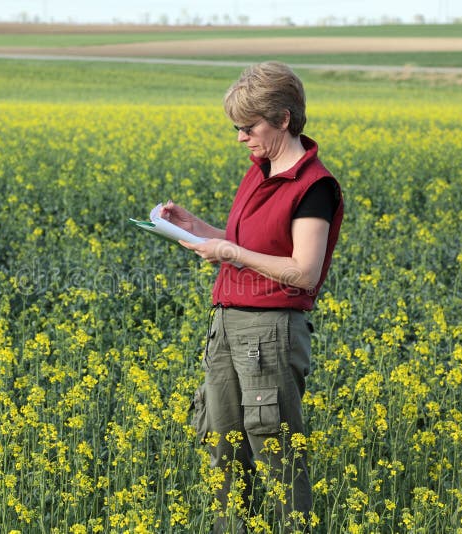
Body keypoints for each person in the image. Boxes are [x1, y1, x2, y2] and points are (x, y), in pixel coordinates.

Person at [160, 61, 343, 532]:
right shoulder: (258, 171)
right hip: (227, 325)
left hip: (270, 333)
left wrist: (231, 251)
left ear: (284, 119)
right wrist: (198, 229)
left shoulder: (313, 187)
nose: (241, 137)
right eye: (237, 128)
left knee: (275, 451)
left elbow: (303, 271)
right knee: (223, 448)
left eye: (249, 127)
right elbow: (252, 247)